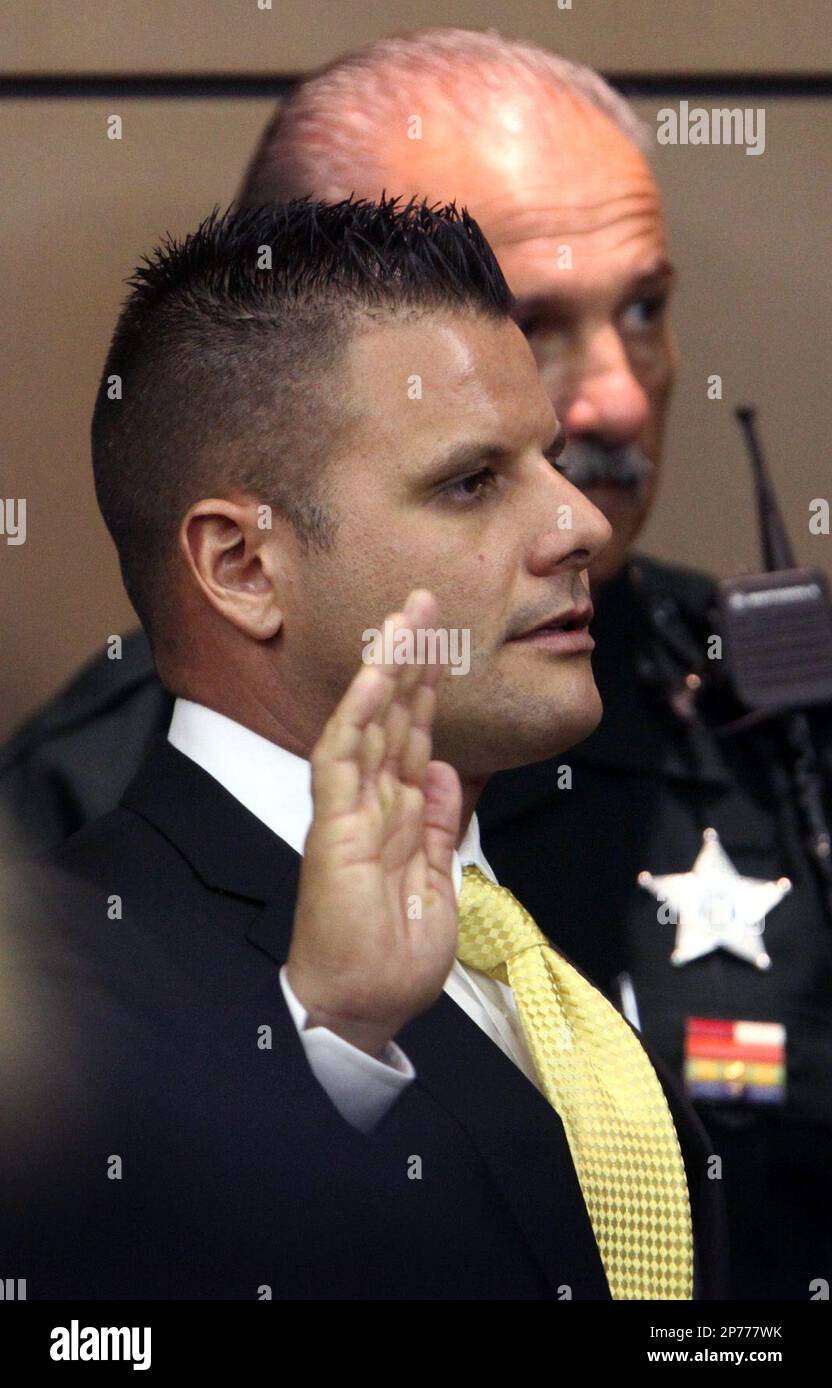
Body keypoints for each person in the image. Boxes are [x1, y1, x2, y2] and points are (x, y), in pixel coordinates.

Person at [2, 29, 829, 1298]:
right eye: (469, 481)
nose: (580, 522)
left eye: (542, 458)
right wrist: (330, 1050)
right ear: (242, 566)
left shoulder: (689, 764)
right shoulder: (66, 968)